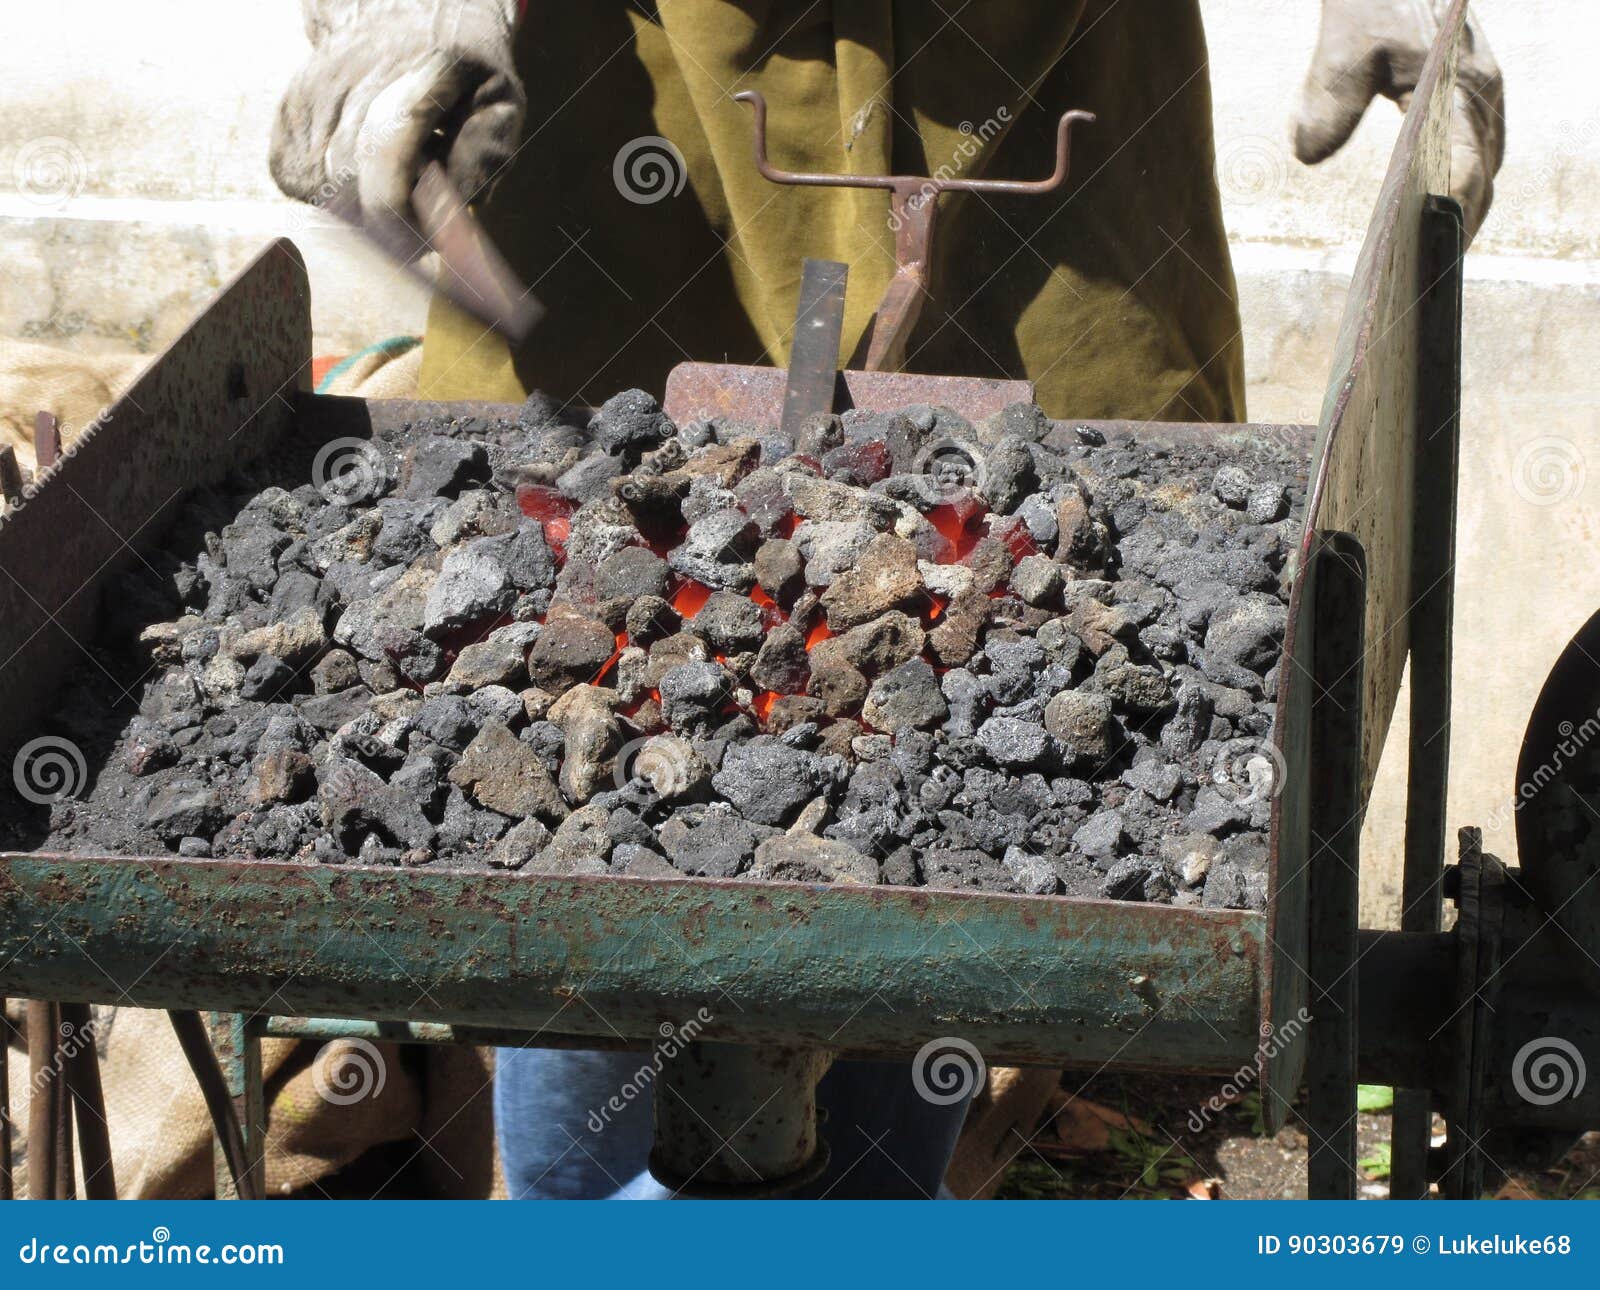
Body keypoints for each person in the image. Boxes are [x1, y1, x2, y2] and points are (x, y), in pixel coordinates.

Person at [270, 0, 1504, 1199]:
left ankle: (872, 1191)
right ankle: (586, 1204)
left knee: (1037, 587)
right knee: (578, 605)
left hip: (1036, 56)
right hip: (656, 63)